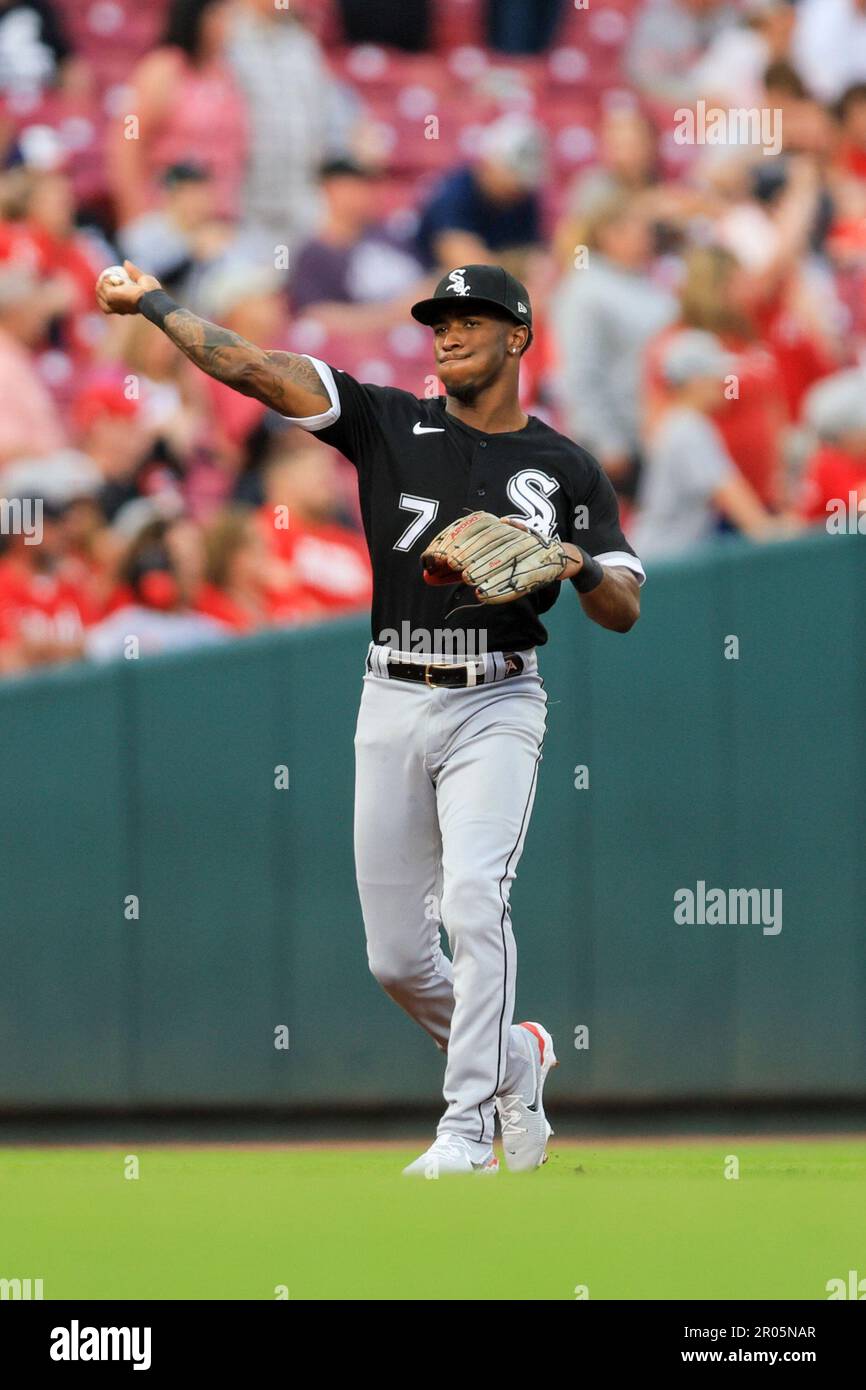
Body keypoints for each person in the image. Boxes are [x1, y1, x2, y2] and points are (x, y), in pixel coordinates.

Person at [96, 257, 644, 1178]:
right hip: (390, 693)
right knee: (394, 957)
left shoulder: (565, 466)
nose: (451, 332)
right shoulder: (390, 421)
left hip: (499, 697)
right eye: (439, 320)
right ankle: (514, 1057)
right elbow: (252, 367)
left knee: (475, 900)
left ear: (519, 335)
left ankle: (467, 1130)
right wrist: (155, 304)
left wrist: (574, 565)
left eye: (472, 318)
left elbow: (624, 604)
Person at [552, 191, 678, 500]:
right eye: (637, 228)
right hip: (622, 444)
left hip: (656, 432)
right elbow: (578, 373)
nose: (647, 237)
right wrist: (607, 442)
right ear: (609, 234)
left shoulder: (641, 280)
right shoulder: (585, 289)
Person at [631, 330, 790, 559]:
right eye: (717, 376)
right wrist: (786, 529)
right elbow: (751, 520)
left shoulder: (682, 423)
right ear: (696, 380)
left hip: (665, 560)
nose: (725, 382)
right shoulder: (688, 429)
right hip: (660, 564)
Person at [109, 0, 248, 228]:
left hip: (220, 217)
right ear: (199, 18)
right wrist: (135, 213)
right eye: (220, 17)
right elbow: (127, 146)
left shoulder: (226, 73)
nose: (228, 26)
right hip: (167, 215)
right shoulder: (162, 70)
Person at [289, 159, 427, 331]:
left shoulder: (391, 234)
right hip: (363, 342)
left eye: (362, 187)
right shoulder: (313, 253)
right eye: (348, 188)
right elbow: (316, 316)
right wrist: (394, 315)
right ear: (328, 191)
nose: (358, 195)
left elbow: (430, 280)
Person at [415, 114, 546, 278]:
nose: (515, 188)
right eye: (511, 175)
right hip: (434, 280)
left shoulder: (525, 198)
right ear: (489, 164)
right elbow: (468, 268)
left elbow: (534, 262)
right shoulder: (456, 192)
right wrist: (512, 265)